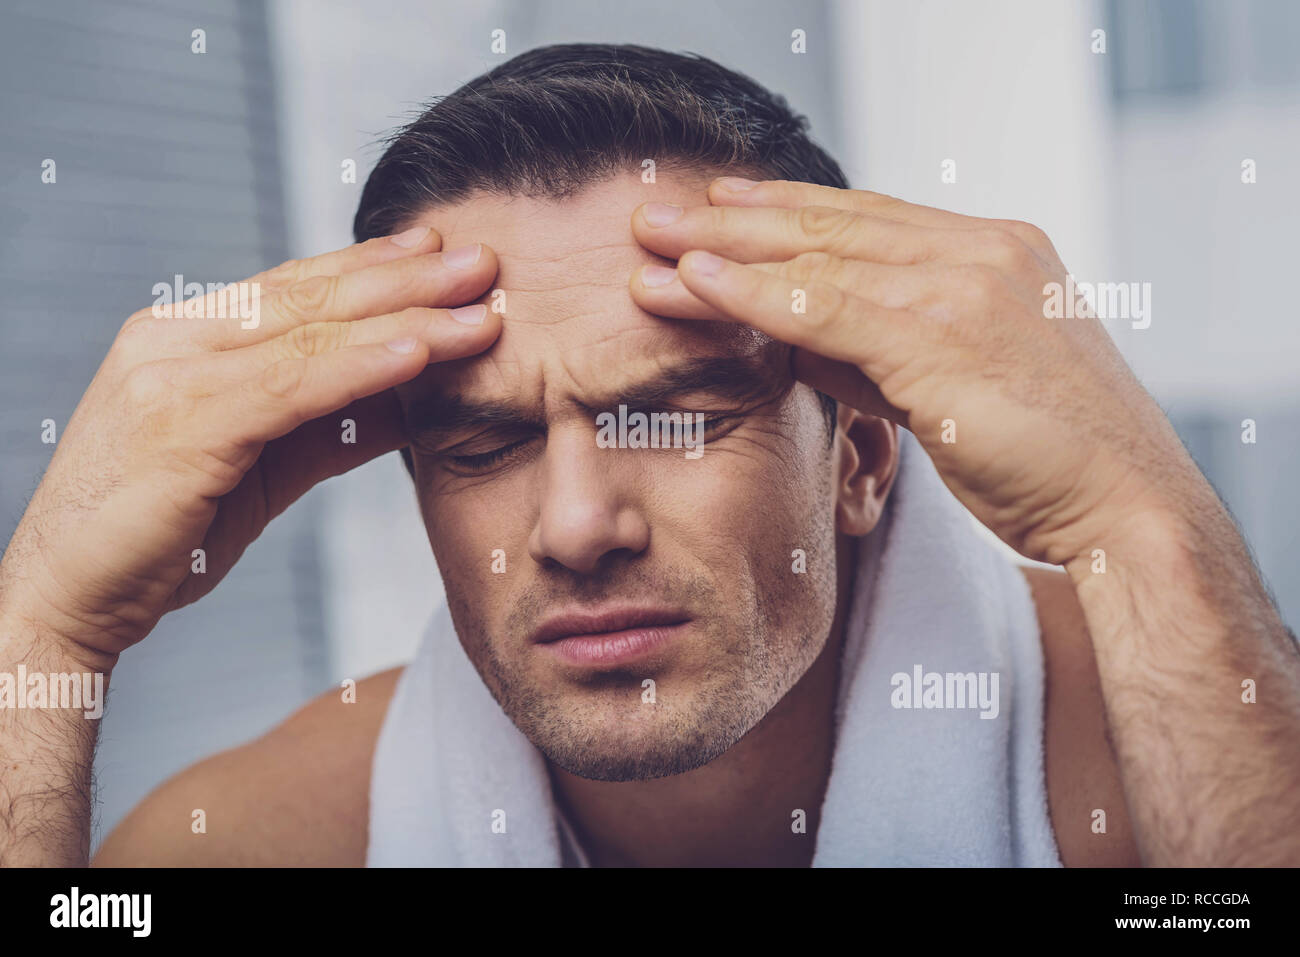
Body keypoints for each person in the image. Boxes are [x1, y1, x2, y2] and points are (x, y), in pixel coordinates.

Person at [1, 44, 1296, 868]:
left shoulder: (1163, 776)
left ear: (860, 455)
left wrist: (1140, 520)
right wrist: (45, 634)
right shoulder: (269, 840)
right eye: (488, 439)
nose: (572, 522)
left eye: (671, 417)